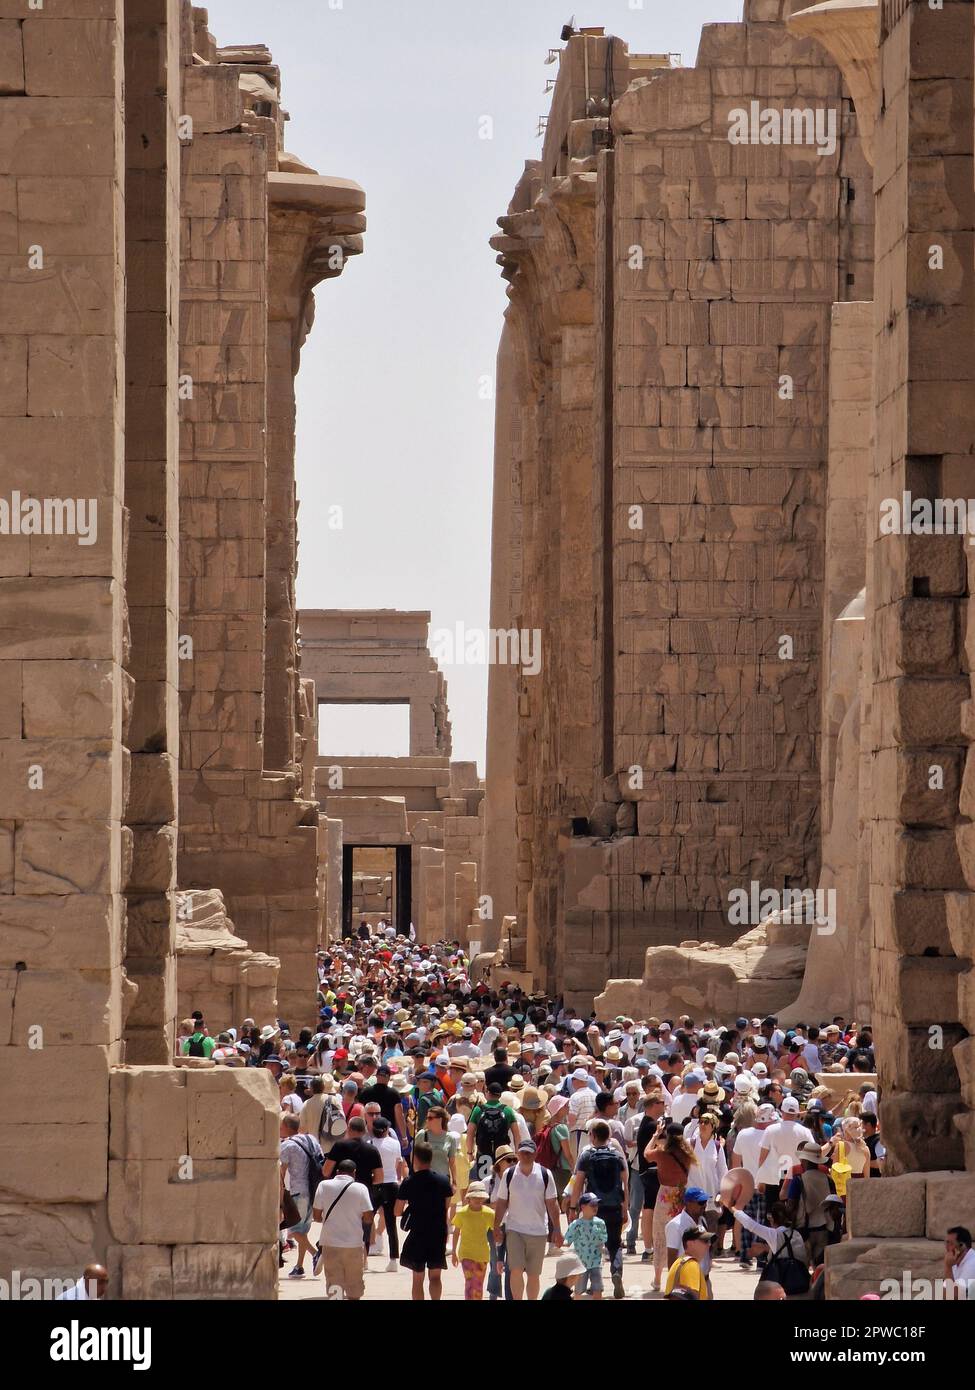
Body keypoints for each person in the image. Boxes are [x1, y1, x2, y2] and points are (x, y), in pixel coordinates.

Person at [492, 1139, 563, 1301]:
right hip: (514, 1230)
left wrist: (557, 1230)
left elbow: (552, 1204)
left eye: (529, 1153)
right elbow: (502, 1202)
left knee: (533, 1274)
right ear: (518, 1153)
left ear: (535, 1154)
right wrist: (496, 1226)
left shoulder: (545, 1174)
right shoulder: (509, 1175)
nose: (525, 1155)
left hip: (538, 1231)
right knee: (515, 1270)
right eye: (522, 1152)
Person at [567, 1119, 628, 1298]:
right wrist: (626, 1206)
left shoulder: (586, 1156)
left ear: (592, 1136)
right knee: (615, 1244)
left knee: (592, 1245)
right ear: (609, 1136)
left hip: (593, 1207)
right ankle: (616, 1271)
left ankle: (592, 1282)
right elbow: (626, 1182)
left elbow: (578, 1183)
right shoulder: (617, 1155)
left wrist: (573, 1206)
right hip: (615, 1205)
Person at [395, 1141, 453, 1300]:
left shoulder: (409, 1182)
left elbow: (397, 1210)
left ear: (416, 1159)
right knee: (435, 1276)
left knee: (417, 1278)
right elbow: (446, 1206)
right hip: (438, 1231)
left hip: (418, 1233)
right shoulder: (443, 1180)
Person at [312, 1158, 374, 1300]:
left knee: (334, 1285)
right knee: (354, 1287)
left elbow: (316, 1216)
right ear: (354, 1173)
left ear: (337, 1171)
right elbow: (369, 1218)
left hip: (330, 1241)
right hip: (353, 1244)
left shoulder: (323, 1185)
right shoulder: (361, 1188)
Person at [646, 1120, 695, 1292]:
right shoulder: (688, 1153)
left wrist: (654, 1136)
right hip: (681, 1196)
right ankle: (678, 1277)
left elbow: (646, 1154)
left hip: (664, 1196)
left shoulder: (661, 1153)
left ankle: (658, 1279)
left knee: (659, 1235)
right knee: (680, 1235)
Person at [279, 1112, 323, 1278]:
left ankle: (315, 1253)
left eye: (281, 1126)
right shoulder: (311, 1139)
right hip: (313, 1190)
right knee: (303, 1230)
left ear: (288, 1128)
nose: (279, 1129)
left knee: (293, 1230)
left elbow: (281, 1172)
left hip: (297, 1190)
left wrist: (280, 1194)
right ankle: (299, 1266)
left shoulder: (287, 1145)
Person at [370, 1116, 407, 1271]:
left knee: (366, 1221)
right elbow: (399, 1163)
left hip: (375, 1184)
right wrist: (399, 1179)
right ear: (386, 1129)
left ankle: (363, 1256)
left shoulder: (370, 1144)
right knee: (391, 1224)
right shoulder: (394, 1143)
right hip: (391, 1183)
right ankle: (393, 1259)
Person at [450, 1181, 495, 1300]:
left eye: (480, 1197)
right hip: (466, 1254)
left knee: (478, 1285)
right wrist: (454, 1252)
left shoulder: (489, 1213)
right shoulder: (461, 1213)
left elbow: (497, 1232)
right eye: (475, 1197)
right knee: (470, 1284)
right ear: (469, 1198)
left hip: (482, 1254)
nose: (477, 1200)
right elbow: (456, 1233)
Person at [467, 1081, 519, 1185]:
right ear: (500, 1095)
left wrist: (470, 1152)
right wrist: (517, 1153)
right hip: (503, 1153)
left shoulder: (478, 1110)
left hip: (483, 1151)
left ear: (487, 1092)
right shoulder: (507, 1110)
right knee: (503, 1182)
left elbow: (470, 1133)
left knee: (484, 1183)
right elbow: (517, 1135)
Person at [563, 1193, 608, 1299]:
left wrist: (603, 1249)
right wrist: (561, 1242)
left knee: (598, 1288)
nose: (595, 1207)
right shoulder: (576, 1224)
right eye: (592, 1205)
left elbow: (604, 1239)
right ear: (583, 1207)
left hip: (596, 1262)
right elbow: (568, 1240)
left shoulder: (600, 1223)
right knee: (578, 1290)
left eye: (596, 1205)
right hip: (581, 1264)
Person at [321, 1116, 383, 1191]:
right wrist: (366, 1182)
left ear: (348, 1128)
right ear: (364, 1131)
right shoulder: (372, 1150)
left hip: (339, 1190)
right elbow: (379, 1178)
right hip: (362, 1191)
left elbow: (326, 1172)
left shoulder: (339, 1146)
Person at [664, 1225, 712, 1300]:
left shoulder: (682, 1261)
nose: (709, 1244)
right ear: (690, 1243)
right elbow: (688, 1296)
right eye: (705, 1241)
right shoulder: (691, 1265)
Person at [945, 1226, 975, 1298]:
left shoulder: (972, 1264)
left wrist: (948, 1267)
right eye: (946, 1243)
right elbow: (945, 1293)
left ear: (962, 1246)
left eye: (950, 1243)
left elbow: (955, 1296)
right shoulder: (955, 1261)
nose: (946, 1247)